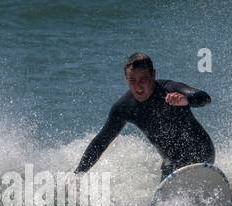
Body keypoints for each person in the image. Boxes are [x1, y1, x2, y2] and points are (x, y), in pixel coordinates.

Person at [74, 52, 214, 179]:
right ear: (126, 79)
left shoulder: (170, 89)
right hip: (171, 164)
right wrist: (78, 174)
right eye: (132, 80)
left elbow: (205, 98)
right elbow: (100, 143)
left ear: (153, 75)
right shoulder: (124, 108)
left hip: (202, 153)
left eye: (143, 79)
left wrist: (186, 100)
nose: (138, 86)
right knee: (161, 203)